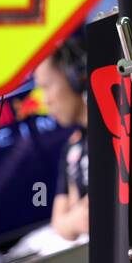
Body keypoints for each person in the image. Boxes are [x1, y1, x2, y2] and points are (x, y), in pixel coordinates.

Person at [33, 38, 89, 241]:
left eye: (47, 87)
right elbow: (60, 224)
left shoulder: (124, 127)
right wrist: (78, 217)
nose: (45, 100)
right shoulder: (72, 148)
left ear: (75, 76)